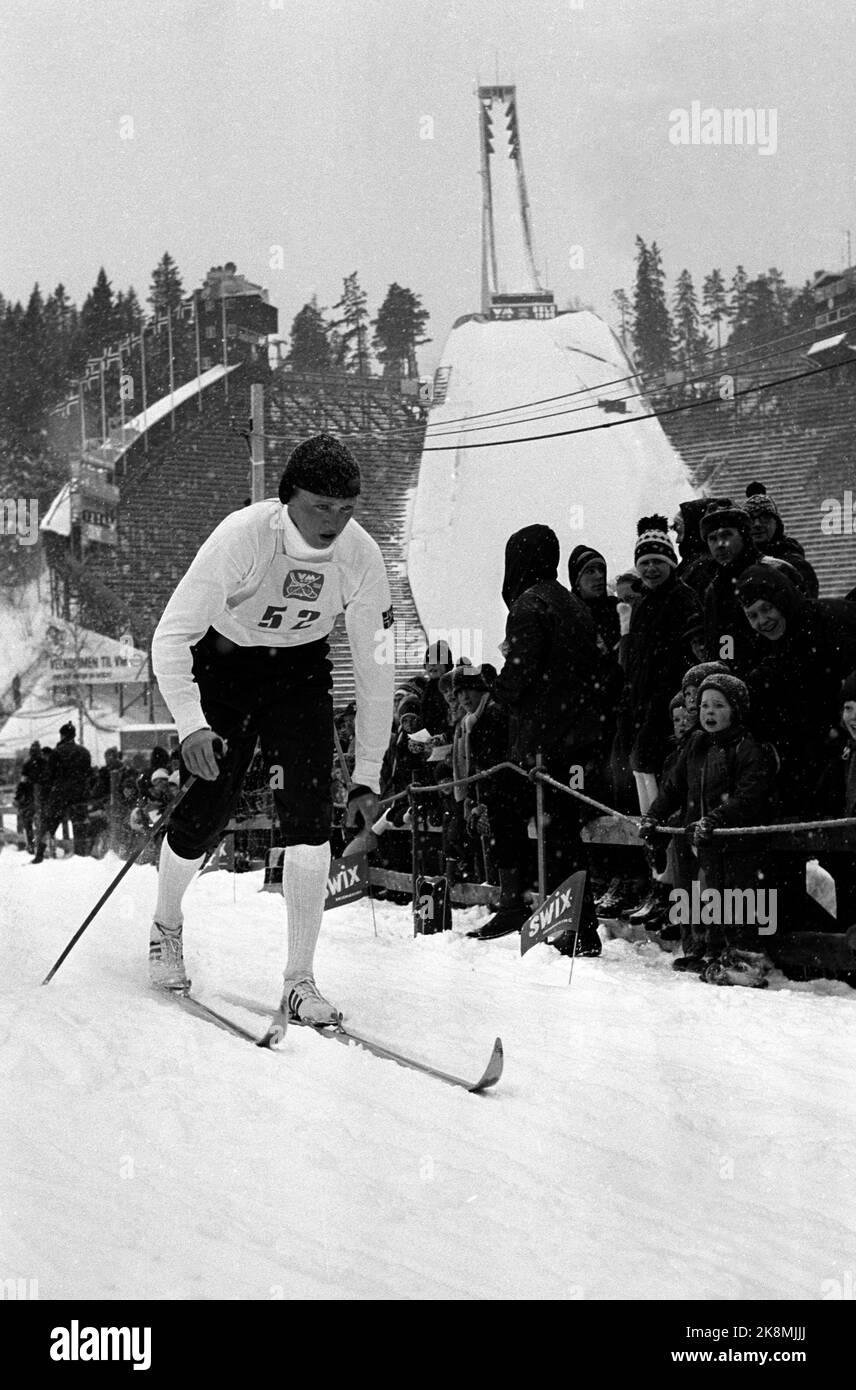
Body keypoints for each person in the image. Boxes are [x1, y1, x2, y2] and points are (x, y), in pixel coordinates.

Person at [150, 433, 394, 1025]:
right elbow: (170, 637)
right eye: (320, 506)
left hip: (300, 674)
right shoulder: (243, 537)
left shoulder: (361, 557)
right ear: (288, 499)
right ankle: (165, 924)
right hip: (228, 668)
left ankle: (300, 978)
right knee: (208, 810)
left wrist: (365, 776)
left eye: (346, 508)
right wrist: (191, 725)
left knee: (309, 819)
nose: (334, 522)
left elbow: (377, 672)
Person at [492, 524, 620, 956]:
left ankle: (571, 924)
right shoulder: (573, 604)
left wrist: (500, 694)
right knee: (564, 833)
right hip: (583, 734)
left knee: (552, 830)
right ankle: (575, 921)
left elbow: (522, 670)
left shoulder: (530, 604)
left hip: (548, 739)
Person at [640, 672, 777, 980]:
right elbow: (673, 788)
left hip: (738, 842)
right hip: (705, 841)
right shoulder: (696, 745)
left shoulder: (747, 747)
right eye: (704, 706)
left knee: (739, 899)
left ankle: (745, 961)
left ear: (736, 710)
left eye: (718, 705)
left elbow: (749, 795)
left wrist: (718, 817)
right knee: (710, 896)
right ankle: (711, 951)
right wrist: (654, 816)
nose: (709, 712)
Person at [743, 481, 818, 598]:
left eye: (765, 518)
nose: (757, 524)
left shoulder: (795, 564)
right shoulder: (739, 560)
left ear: (776, 524)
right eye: (751, 519)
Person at [32, 723, 93, 862]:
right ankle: (82, 856)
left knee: (48, 824)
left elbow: (49, 776)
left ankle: (39, 854)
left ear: (63, 735)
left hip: (60, 795)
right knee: (79, 826)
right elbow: (88, 774)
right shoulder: (84, 752)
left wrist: (46, 796)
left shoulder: (57, 752)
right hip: (80, 795)